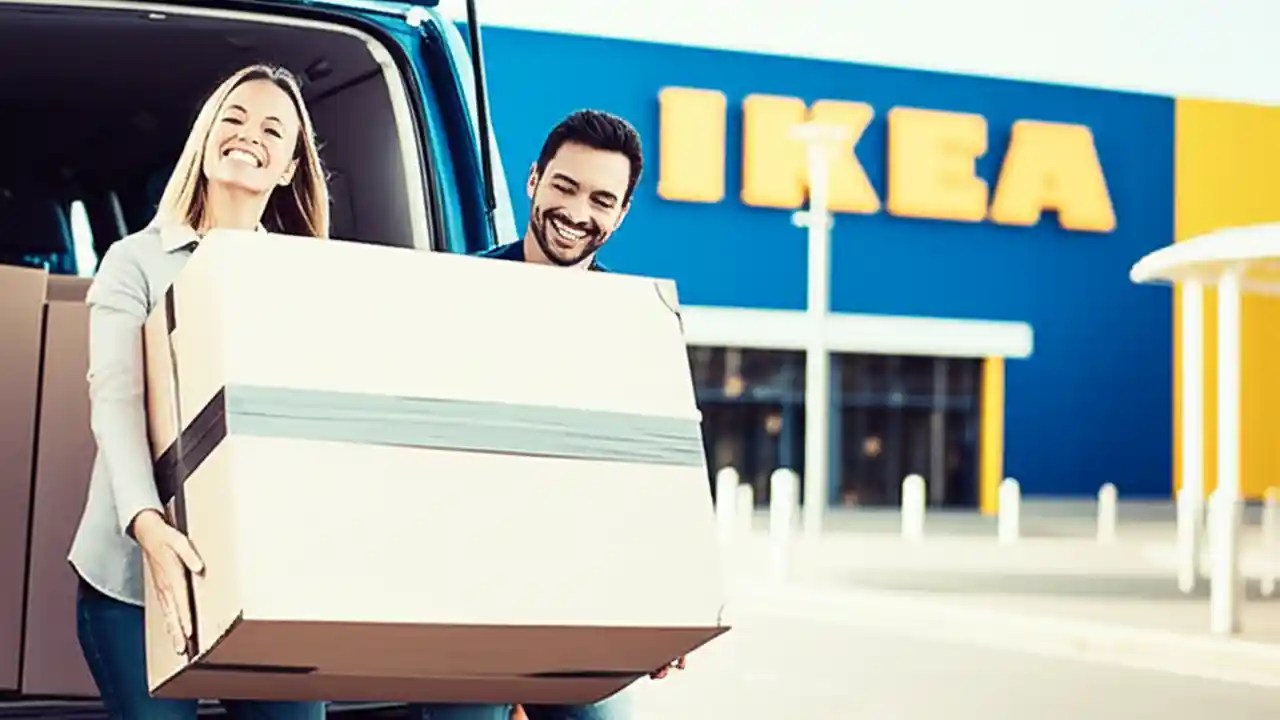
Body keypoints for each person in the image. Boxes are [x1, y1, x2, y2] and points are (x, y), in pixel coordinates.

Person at [66, 63, 330, 720]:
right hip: (131, 577)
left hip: (265, 577)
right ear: (206, 137)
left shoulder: (301, 279)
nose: (248, 135)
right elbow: (117, 402)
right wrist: (150, 529)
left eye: (273, 129)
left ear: (292, 164)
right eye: (233, 119)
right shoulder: (136, 261)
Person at [409, 110, 683, 720]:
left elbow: (652, 477)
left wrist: (664, 606)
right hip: (462, 592)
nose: (577, 211)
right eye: (564, 186)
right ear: (533, 180)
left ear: (621, 214)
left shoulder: (634, 325)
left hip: (576, 596)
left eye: (601, 198)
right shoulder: (453, 294)